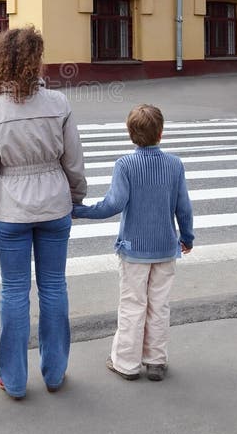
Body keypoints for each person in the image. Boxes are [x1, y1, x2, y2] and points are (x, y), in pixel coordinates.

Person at [0, 26, 87, 399]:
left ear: (0, 63)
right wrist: (77, 197)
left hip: (12, 211)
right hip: (55, 204)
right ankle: (54, 374)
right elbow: (74, 161)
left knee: (14, 292)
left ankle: (15, 381)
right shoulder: (59, 104)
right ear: (36, 61)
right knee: (54, 287)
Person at [73, 104, 193, 382]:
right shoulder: (174, 165)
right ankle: (155, 361)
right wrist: (186, 237)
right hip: (165, 248)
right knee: (159, 305)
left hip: (133, 250)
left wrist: (80, 210)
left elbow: (113, 204)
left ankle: (126, 363)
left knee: (132, 305)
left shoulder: (125, 165)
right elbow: (183, 206)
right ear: (161, 133)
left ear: (130, 134)